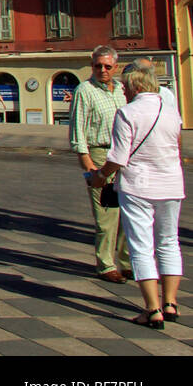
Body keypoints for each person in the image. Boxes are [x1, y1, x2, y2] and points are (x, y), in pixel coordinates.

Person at [88, 62, 184, 328]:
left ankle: (152, 310)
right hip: (171, 184)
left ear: (135, 86)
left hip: (138, 186)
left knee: (141, 246)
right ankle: (171, 303)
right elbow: (176, 144)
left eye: (126, 87)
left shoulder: (127, 112)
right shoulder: (171, 110)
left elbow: (118, 157)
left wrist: (100, 176)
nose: (124, 92)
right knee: (169, 242)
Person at [71, 45, 132, 283]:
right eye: (98, 66)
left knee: (128, 211)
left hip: (124, 155)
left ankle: (127, 262)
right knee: (106, 213)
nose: (103, 70)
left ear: (115, 67)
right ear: (92, 65)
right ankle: (106, 264)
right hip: (99, 154)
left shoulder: (122, 90)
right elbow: (78, 128)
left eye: (107, 66)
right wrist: (86, 161)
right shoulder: (84, 90)